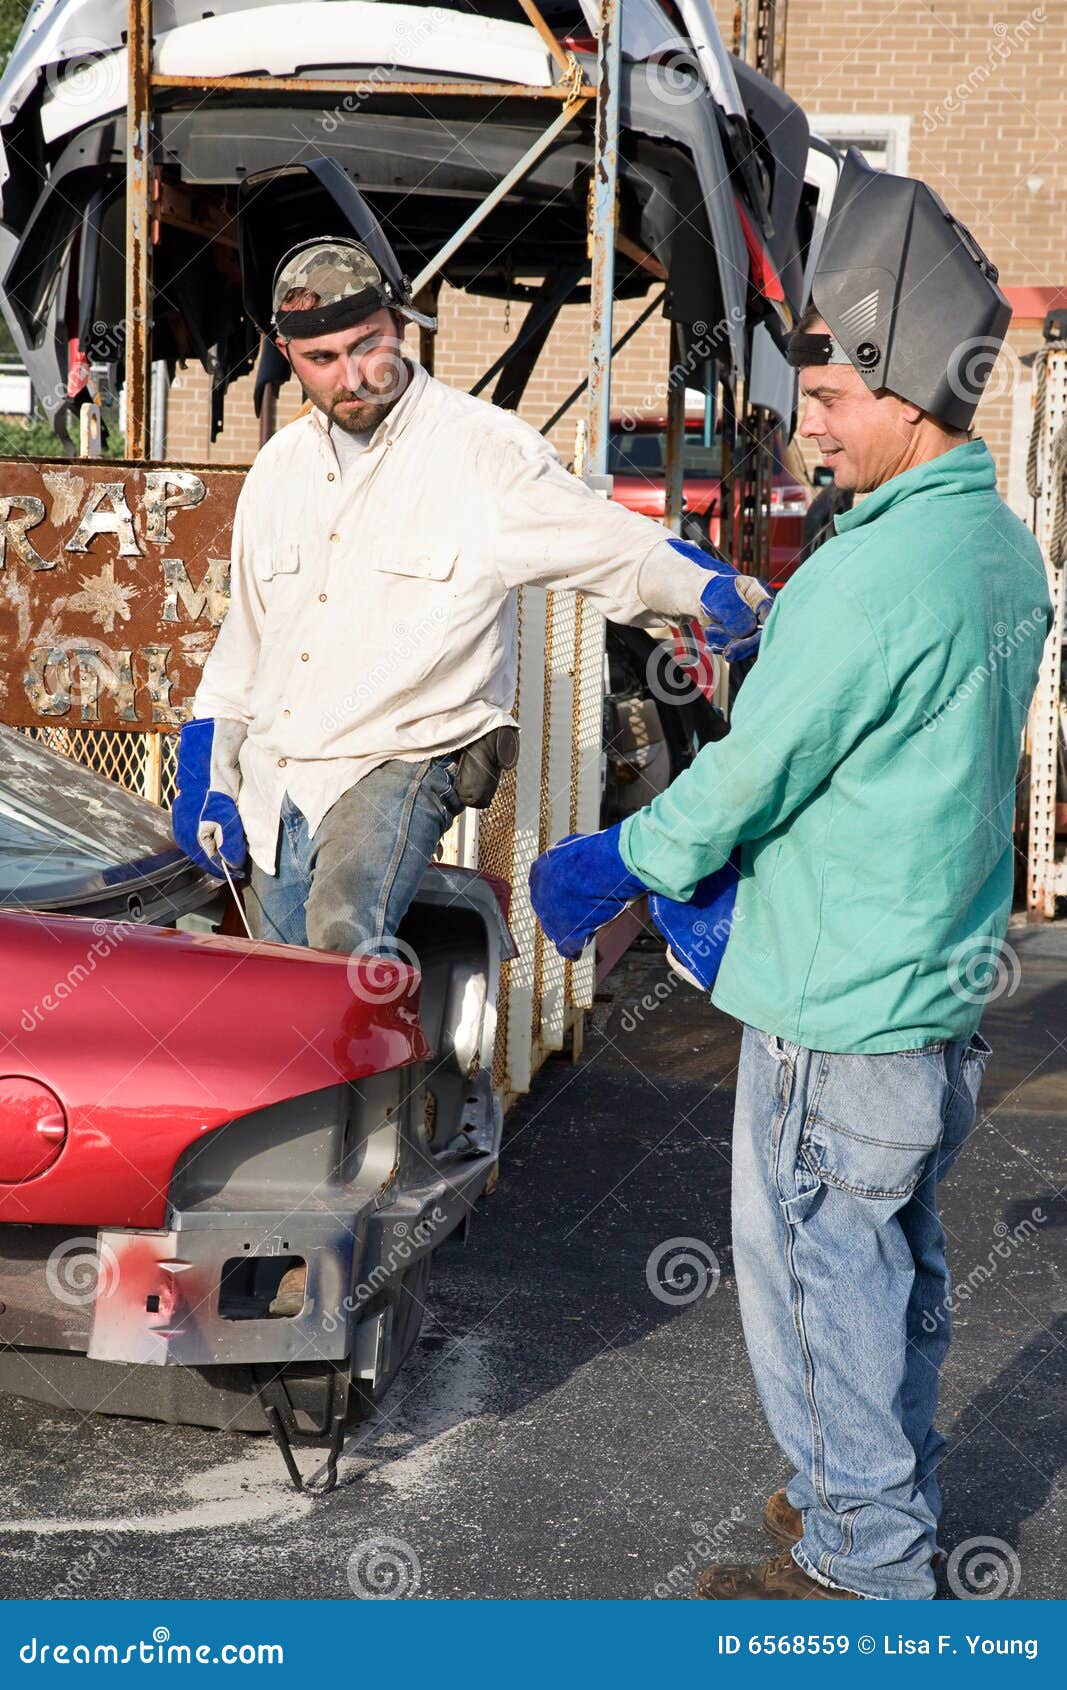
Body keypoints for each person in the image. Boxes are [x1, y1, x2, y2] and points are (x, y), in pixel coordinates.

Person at [529, 152, 1053, 1600]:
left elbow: (753, 775)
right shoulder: (989, 549)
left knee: (819, 1289)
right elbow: (889, 739)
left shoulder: (865, 575)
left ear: (900, 385)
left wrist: (624, 859)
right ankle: (864, 1487)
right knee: (892, 1276)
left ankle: (856, 1568)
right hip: (930, 991)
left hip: (835, 1006)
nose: (803, 429)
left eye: (825, 400)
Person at [172, 198, 770, 957]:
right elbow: (243, 648)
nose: (351, 376)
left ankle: (372, 1057)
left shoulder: (481, 451)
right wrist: (206, 769)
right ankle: (407, 1069)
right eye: (322, 360)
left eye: (367, 346)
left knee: (341, 940)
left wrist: (714, 591)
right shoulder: (277, 472)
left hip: (403, 755)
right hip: (278, 775)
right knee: (271, 979)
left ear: (399, 322)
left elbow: (608, 542)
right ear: (287, 356)